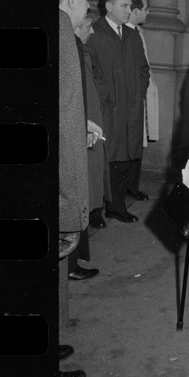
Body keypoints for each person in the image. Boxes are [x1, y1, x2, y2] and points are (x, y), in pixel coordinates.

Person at [58, 0, 102, 377]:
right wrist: (72, 204)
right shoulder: (61, 36)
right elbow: (64, 114)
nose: (87, 6)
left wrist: (80, 122)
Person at [85, 0, 150, 223]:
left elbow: (143, 69)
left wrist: (139, 90)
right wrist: (105, 95)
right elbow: (90, 70)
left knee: (124, 160)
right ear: (109, 7)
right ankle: (93, 212)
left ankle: (116, 206)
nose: (129, 10)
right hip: (106, 108)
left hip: (130, 108)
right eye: (124, 6)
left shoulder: (132, 35)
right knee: (101, 159)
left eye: (130, 6)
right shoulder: (94, 32)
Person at [73, 17, 111, 233]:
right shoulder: (73, 51)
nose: (93, 31)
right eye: (88, 26)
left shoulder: (86, 50)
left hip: (93, 112)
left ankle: (93, 211)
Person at [125, 0, 159, 201]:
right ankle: (126, 186)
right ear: (135, 10)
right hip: (132, 94)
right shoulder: (126, 32)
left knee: (138, 141)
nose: (148, 12)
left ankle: (132, 185)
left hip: (142, 91)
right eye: (145, 8)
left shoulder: (138, 31)